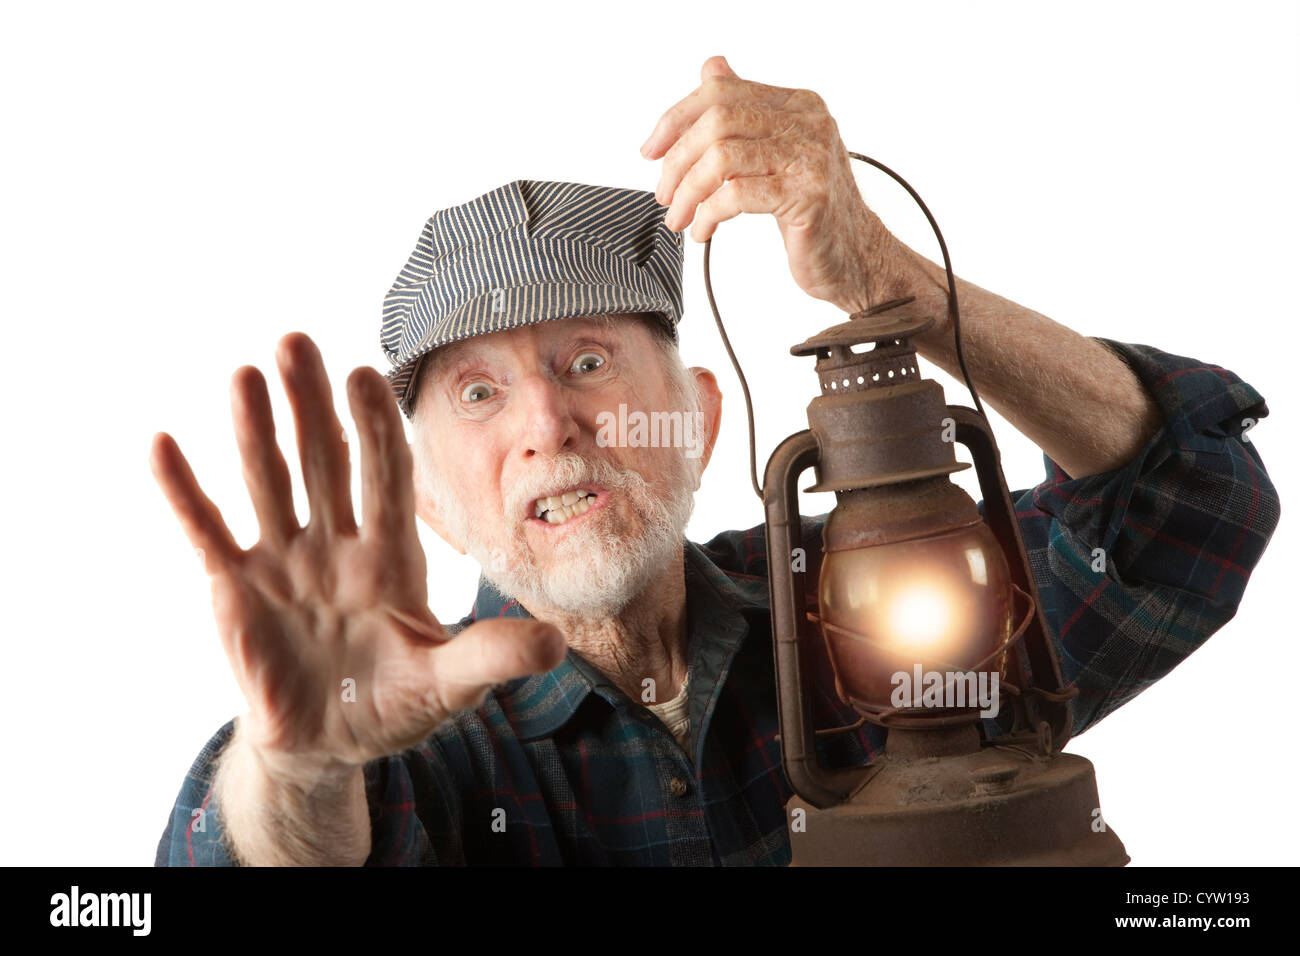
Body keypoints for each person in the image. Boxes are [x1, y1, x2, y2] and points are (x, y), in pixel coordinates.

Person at [152, 56, 1280, 866]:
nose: (548, 423)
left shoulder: (878, 609)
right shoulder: (414, 738)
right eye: (479, 393)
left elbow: (1189, 505)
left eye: (587, 360)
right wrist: (295, 765)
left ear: (696, 418)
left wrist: (884, 273)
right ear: (433, 504)